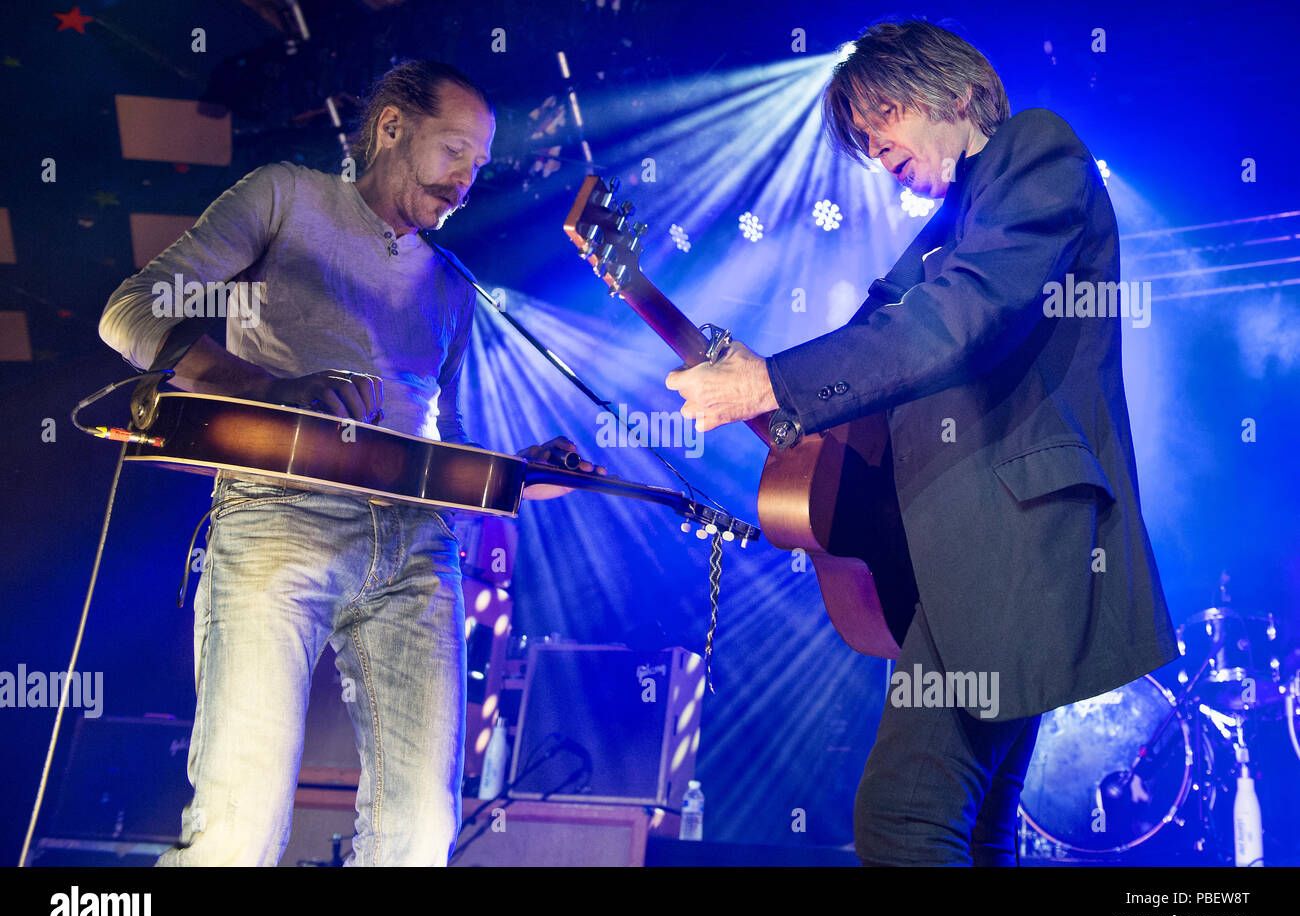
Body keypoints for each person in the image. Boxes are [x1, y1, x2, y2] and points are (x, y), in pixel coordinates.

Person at [665, 20, 1178, 865]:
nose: (874, 148)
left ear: (959, 92)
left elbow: (958, 324)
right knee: (973, 833)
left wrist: (771, 382)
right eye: (863, 139)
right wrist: (755, 373)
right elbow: (871, 362)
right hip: (985, 555)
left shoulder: (1035, 149)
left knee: (904, 822)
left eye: (885, 116)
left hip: (1016, 544)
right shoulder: (951, 221)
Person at [100, 60, 593, 866]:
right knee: (240, 827)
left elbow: (446, 446)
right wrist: (269, 388)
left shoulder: (451, 281)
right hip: (278, 517)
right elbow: (129, 312)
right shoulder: (285, 195)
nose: (467, 182)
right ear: (392, 126)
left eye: (479, 165)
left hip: (417, 546)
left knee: (420, 837)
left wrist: (522, 469)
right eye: (454, 152)